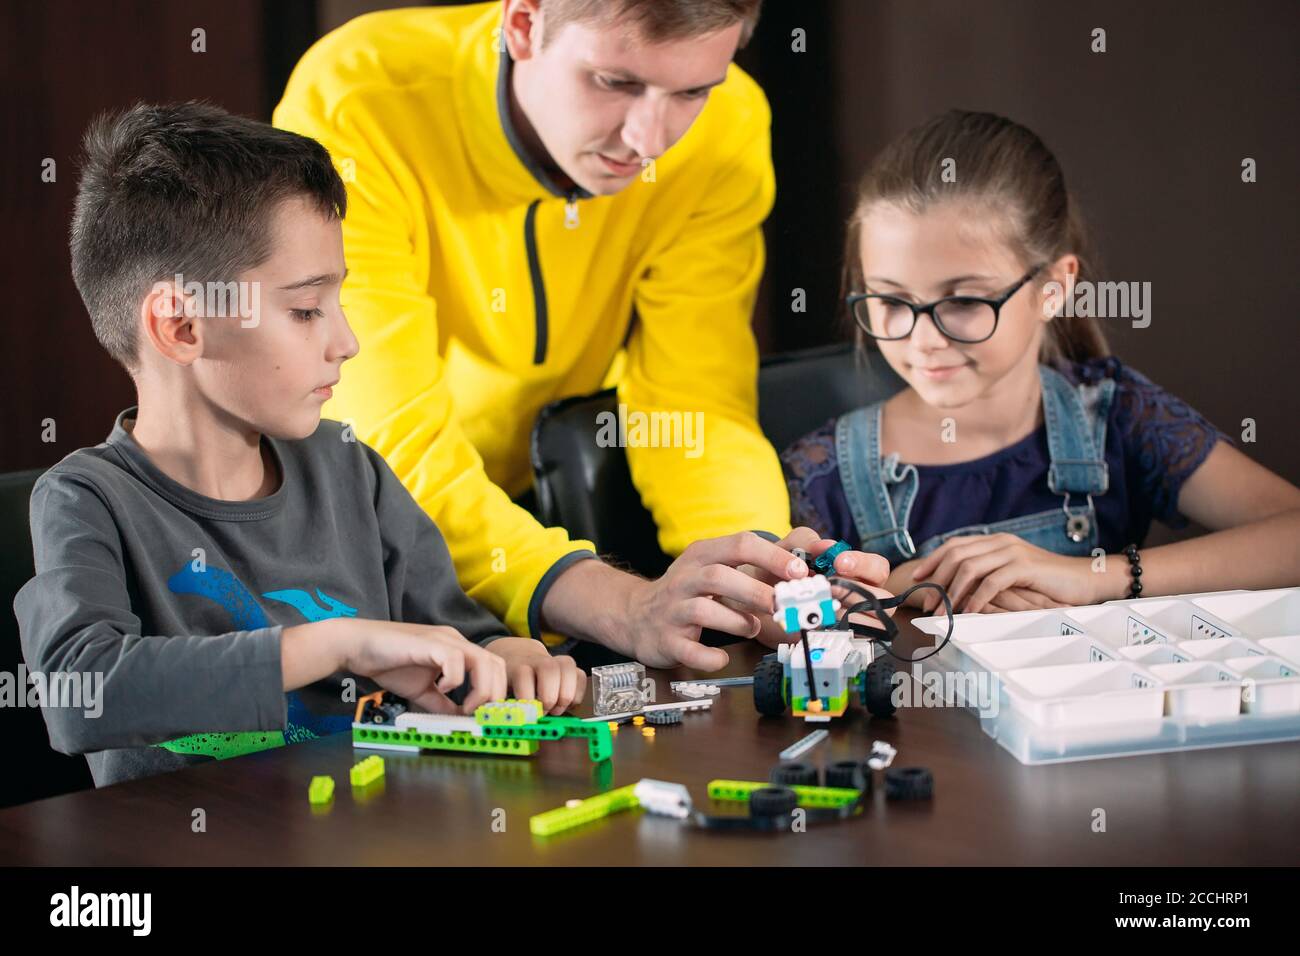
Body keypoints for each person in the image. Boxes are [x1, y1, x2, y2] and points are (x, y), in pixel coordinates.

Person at [272, 0, 796, 647]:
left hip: (544, 521)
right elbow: (384, 439)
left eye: (691, 91)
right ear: (522, 25)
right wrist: (615, 602)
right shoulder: (357, 94)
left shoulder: (729, 122)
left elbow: (696, 403)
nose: (650, 142)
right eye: (615, 82)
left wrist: (755, 570)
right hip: (349, 527)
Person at [782, 110, 1300, 614]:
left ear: (1053, 289)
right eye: (892, 302)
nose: (923, 339)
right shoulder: (822, 470)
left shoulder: (1117, 415)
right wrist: (902, 592)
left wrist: (1093, 578)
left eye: (964, 301)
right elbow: (781, 626)